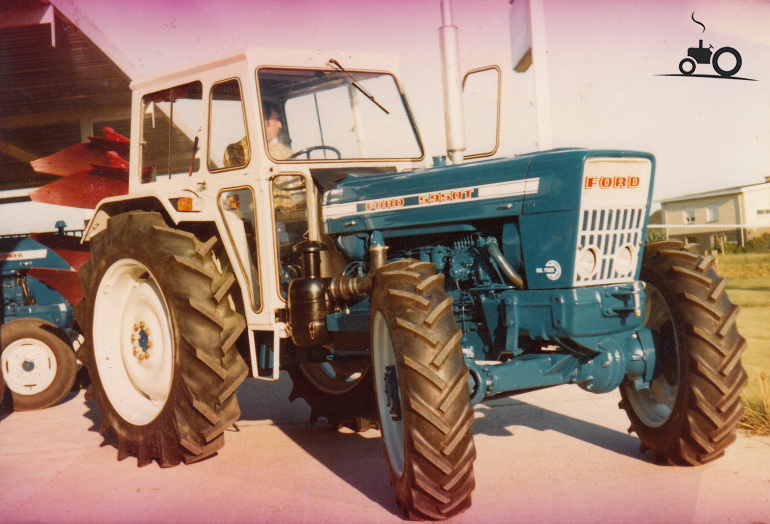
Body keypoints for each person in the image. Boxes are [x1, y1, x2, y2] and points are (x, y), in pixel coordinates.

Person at [223, 101, 292, 167]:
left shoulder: (283, 150)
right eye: (276, 119)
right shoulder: (236, 150)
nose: (280, 125)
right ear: (263, 121)